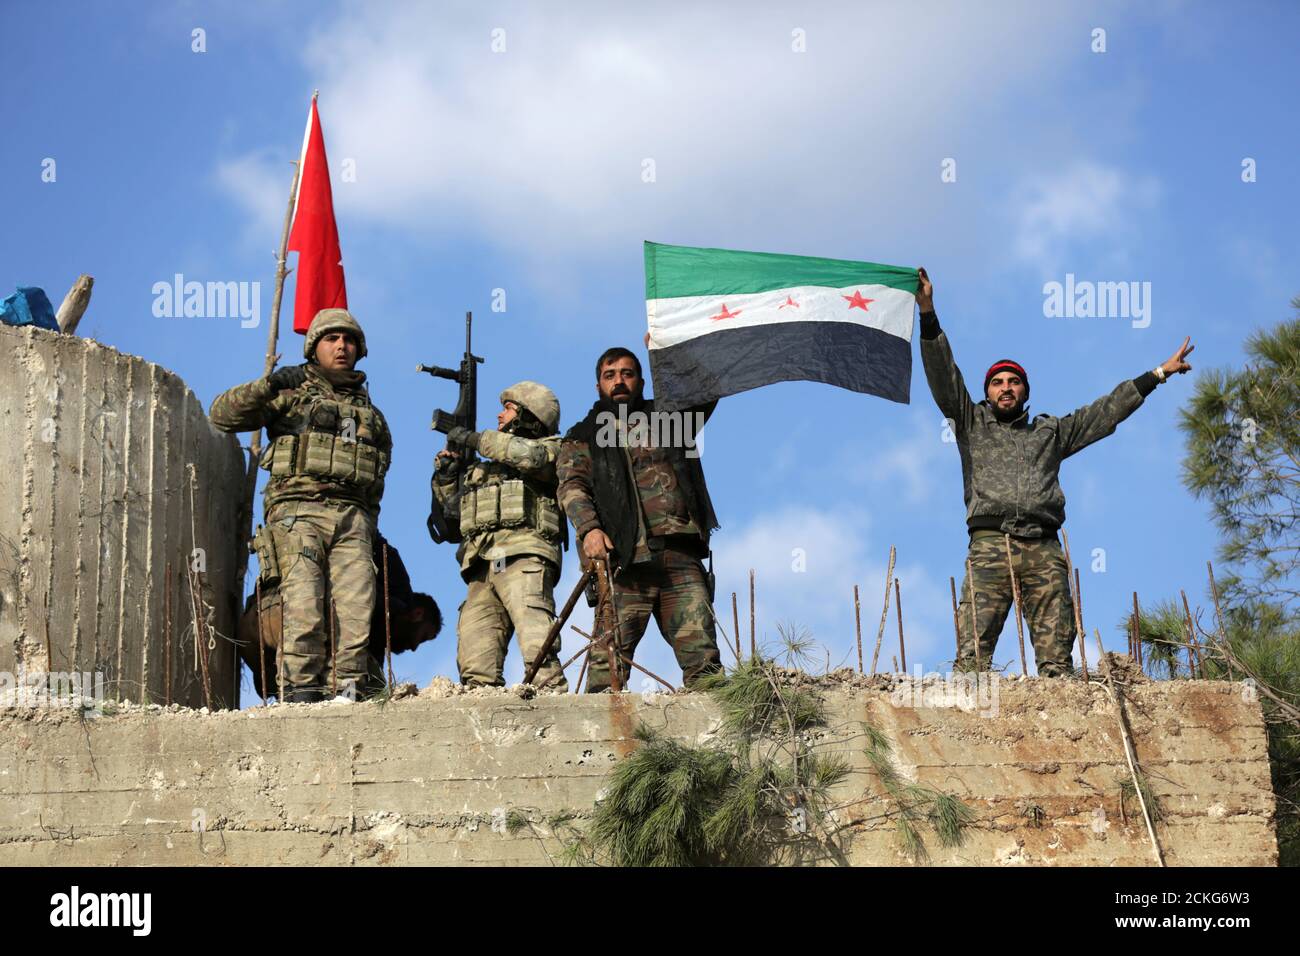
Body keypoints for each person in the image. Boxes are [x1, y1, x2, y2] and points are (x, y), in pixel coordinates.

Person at [916, 267, 1194, 676]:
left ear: (1025, 392)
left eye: (1014, 382)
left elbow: (1104, 413)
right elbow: (943, 376)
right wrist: (927, 311)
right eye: (997, 383)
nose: (1006, 388)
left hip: (1043, 549)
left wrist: (1157, 375)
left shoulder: (1050, 433)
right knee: (972, 655)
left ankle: (1057, 724)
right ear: (987, 392)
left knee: (1057, 665)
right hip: (991, 545)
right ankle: (969, 721)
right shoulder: (970, 421)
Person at [210, 308, 391, 702]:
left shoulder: (371, 415)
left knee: (356, 609)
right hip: (298, 513)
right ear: (314, 348)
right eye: (331, 339)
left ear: (360, 350)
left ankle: (348, 690)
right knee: (304, 603)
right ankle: (300, 691)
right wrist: (269, 384)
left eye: (349, 340)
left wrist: (365, 521)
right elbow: (223, 414)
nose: (341, 346)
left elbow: (378, 473)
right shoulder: (290, 394)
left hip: (352, 520)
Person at [557, 347, 722, 692]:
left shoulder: (670, 418)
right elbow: (572, 486)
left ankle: (717, 739)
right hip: (624, 561)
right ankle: (603, 742)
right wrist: (590, 529)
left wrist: (668, 351)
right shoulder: (582, 434)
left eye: (627, 373)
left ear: (641, 380)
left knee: (704, 663)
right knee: (607, 670)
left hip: (680, 556)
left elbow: (706, 389)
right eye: (610, 374)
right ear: (599, 384)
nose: (619, 381)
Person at [433, 382, 569, 690]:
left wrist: (476, 439)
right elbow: (452, 521)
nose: (499, 415)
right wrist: (446, 475)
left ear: (530, 415)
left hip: (524, 555)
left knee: (538, 643)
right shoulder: (486, 469)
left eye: (508, 409)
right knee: (474, 658)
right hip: (481, 564)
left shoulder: (552, 448)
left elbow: (529, 457)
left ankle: (552, 698)